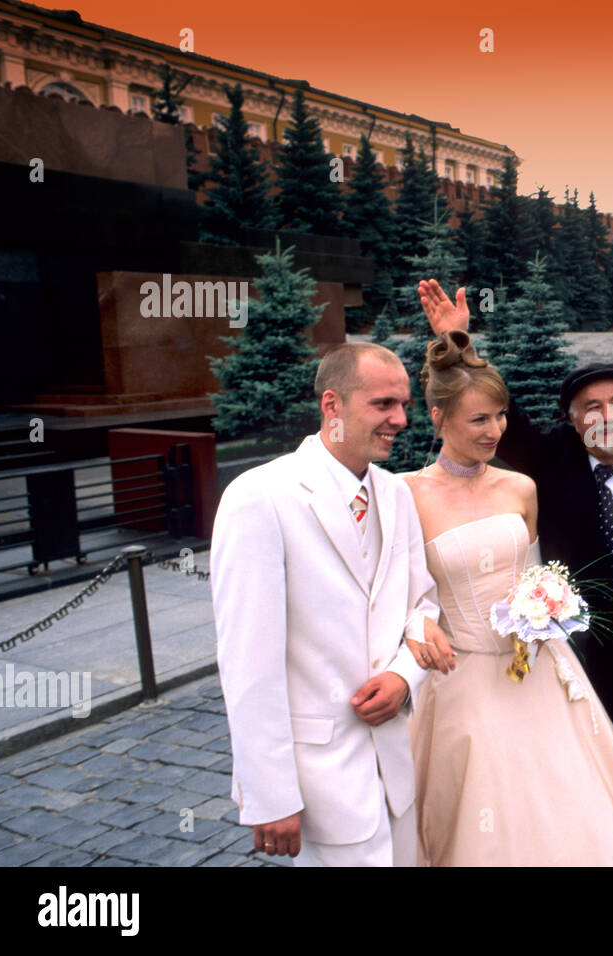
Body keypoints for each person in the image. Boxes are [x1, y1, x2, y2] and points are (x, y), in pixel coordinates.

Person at [416, 280, 613, 866]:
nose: (607, 416)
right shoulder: (550, 468)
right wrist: (455, 340)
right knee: (580, 785)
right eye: (591, 407)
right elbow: (488, 410)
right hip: (569, 667)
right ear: (571, 419)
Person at [210, 342, 456, 866]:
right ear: (332, 406)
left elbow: (423, 605)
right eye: (384, 404)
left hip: (394, 770)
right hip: (319, 782)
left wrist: (403, 677)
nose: (401, 419)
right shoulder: (259, 496)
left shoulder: (394, 493)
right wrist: (270, 795)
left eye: (404, 404)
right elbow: (247, 662)